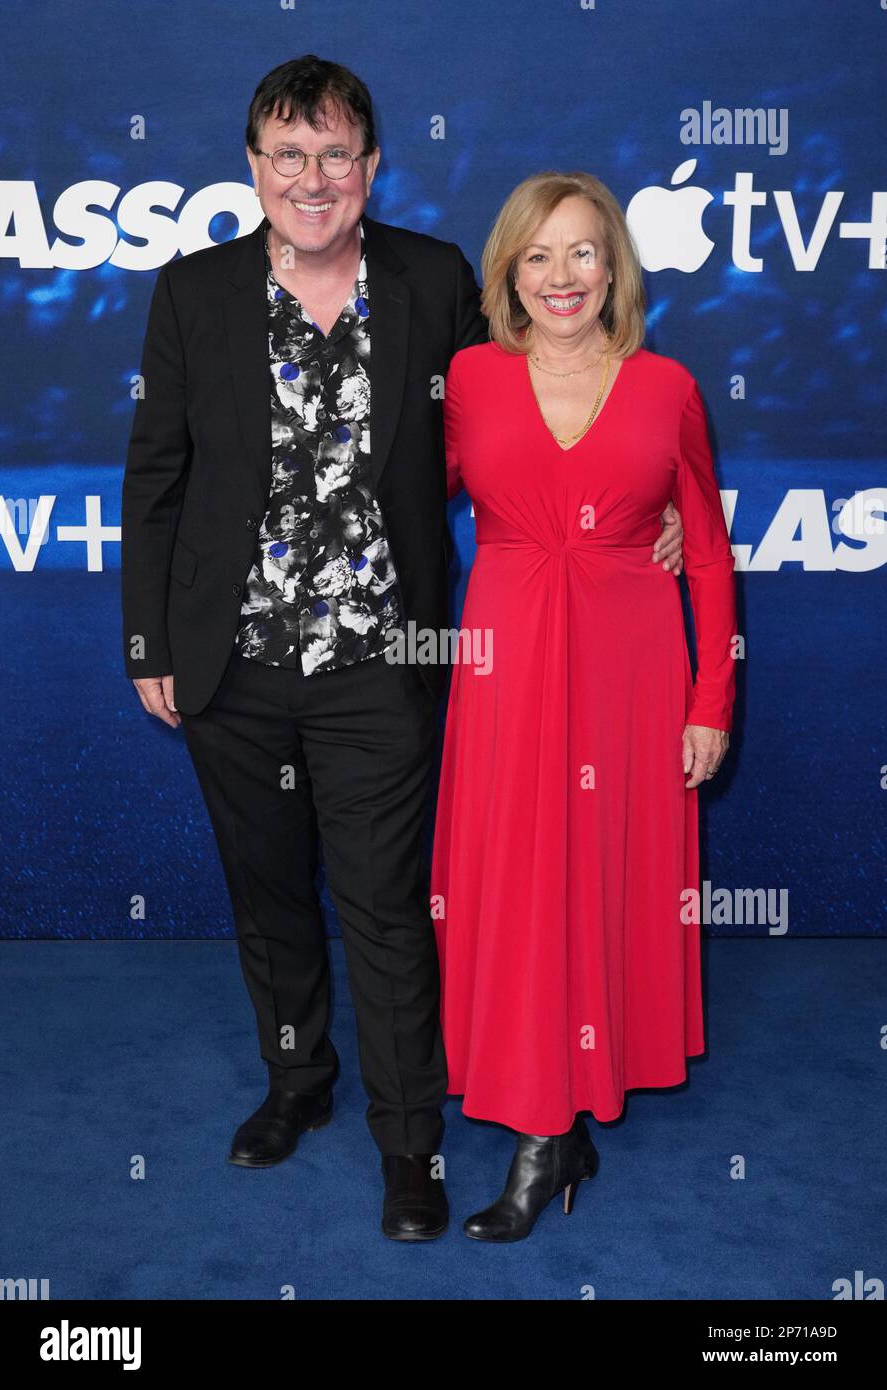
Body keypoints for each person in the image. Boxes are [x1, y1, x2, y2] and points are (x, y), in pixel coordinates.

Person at [121, 54, 685, 1241]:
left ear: (372, 167)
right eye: (289, 155)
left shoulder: (434, 281)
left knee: (387, 907)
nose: (312, 178)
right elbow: (157, 478)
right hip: (230, 662)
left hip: (390, 661)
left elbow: (553, 376)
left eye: (336, 155)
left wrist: (654, 504)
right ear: (255, 168)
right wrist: (147, 641)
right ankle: (295, 1086)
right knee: (268, 898)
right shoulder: (192, 292)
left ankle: (409, 1143)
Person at [430, 171, 737, 1242]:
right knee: (521, 884)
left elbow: (704, 546)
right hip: (507, 660)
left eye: (583, 253)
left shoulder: (668, 390)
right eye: (539, 256)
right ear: (509, 273)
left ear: (616, 266)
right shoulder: (466, 378)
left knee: (600, 875)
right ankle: (547, 1122)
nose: (562, 277)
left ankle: (554, 1124)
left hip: (632, 668)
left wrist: (712, 699)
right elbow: (406, 509)